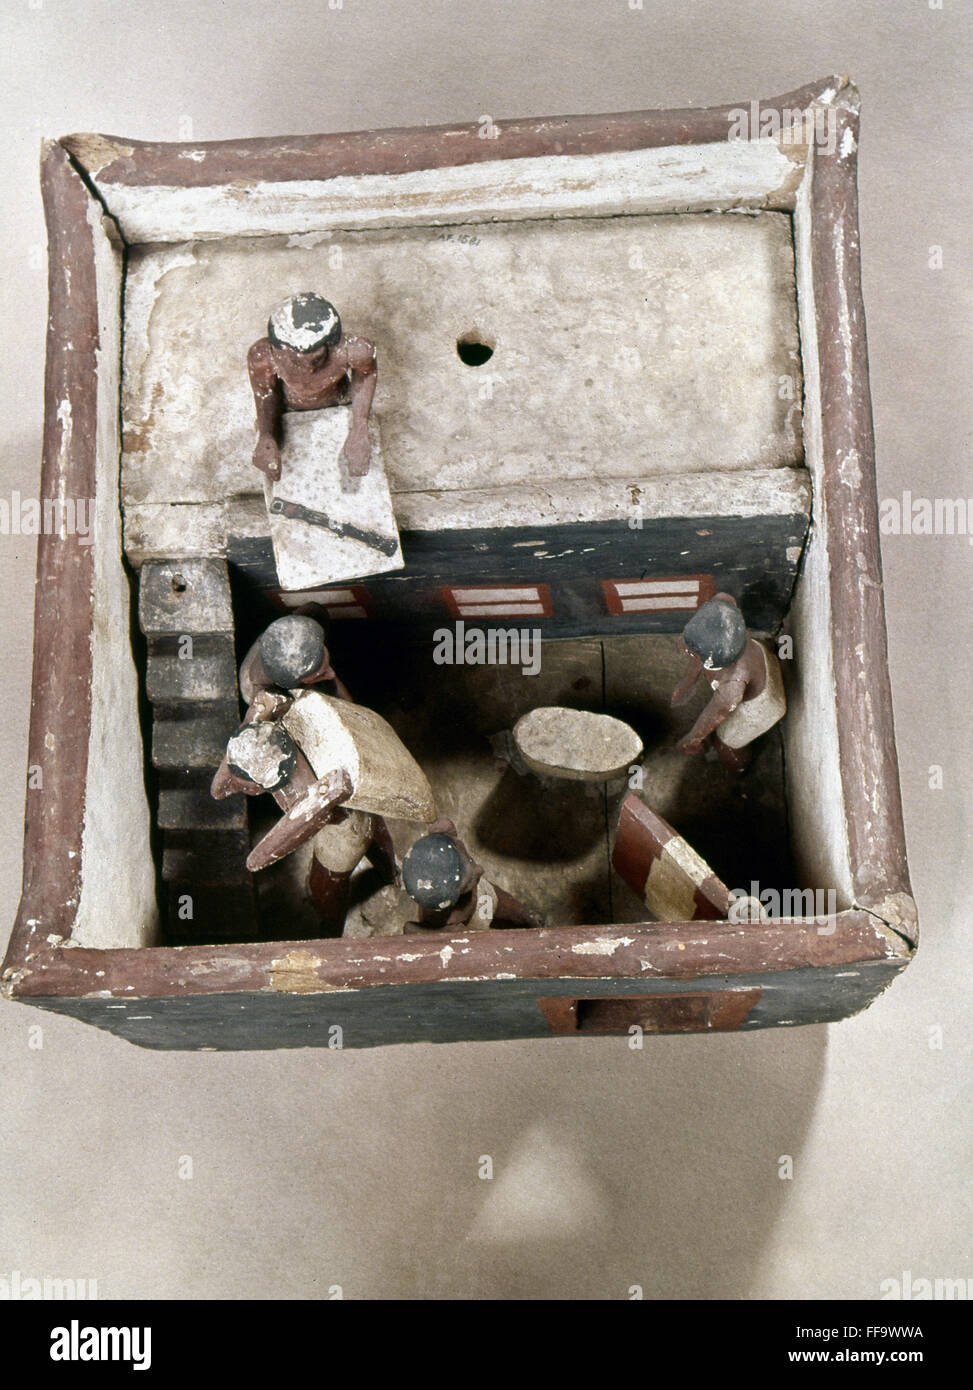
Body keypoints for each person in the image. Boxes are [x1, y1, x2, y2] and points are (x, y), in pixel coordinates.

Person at [247, 292, 377, 481]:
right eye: (296, 360)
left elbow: (365, 377)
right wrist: (267, 435)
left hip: (339, 403)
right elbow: (265, 392)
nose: (309, 367)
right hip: (289, 408)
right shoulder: (264, 355)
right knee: (294, 480)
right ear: (281, 349)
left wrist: (360, 428)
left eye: (317, 359)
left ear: (330, 346)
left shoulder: (356, 350)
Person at [671, 593, 786, 771]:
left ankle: (738, 769)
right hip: (760, 660)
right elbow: (723, 599)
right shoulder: (726, 621)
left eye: (692, 651)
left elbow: (715, 713)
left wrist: (691, 740)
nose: (683, 647)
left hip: (763, 707)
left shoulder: (732, 684)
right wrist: (689, 680)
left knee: (727, 740)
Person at [401, 818, 540, 932]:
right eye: (467, 882)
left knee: (514, 910)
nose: (479, 869)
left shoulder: (443, 840)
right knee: (496, 920)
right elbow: (412, 930)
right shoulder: (446, 925)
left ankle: (530, 921)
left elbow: (446, 825)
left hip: (483, 893)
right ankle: (527, 922)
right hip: (474, 920)